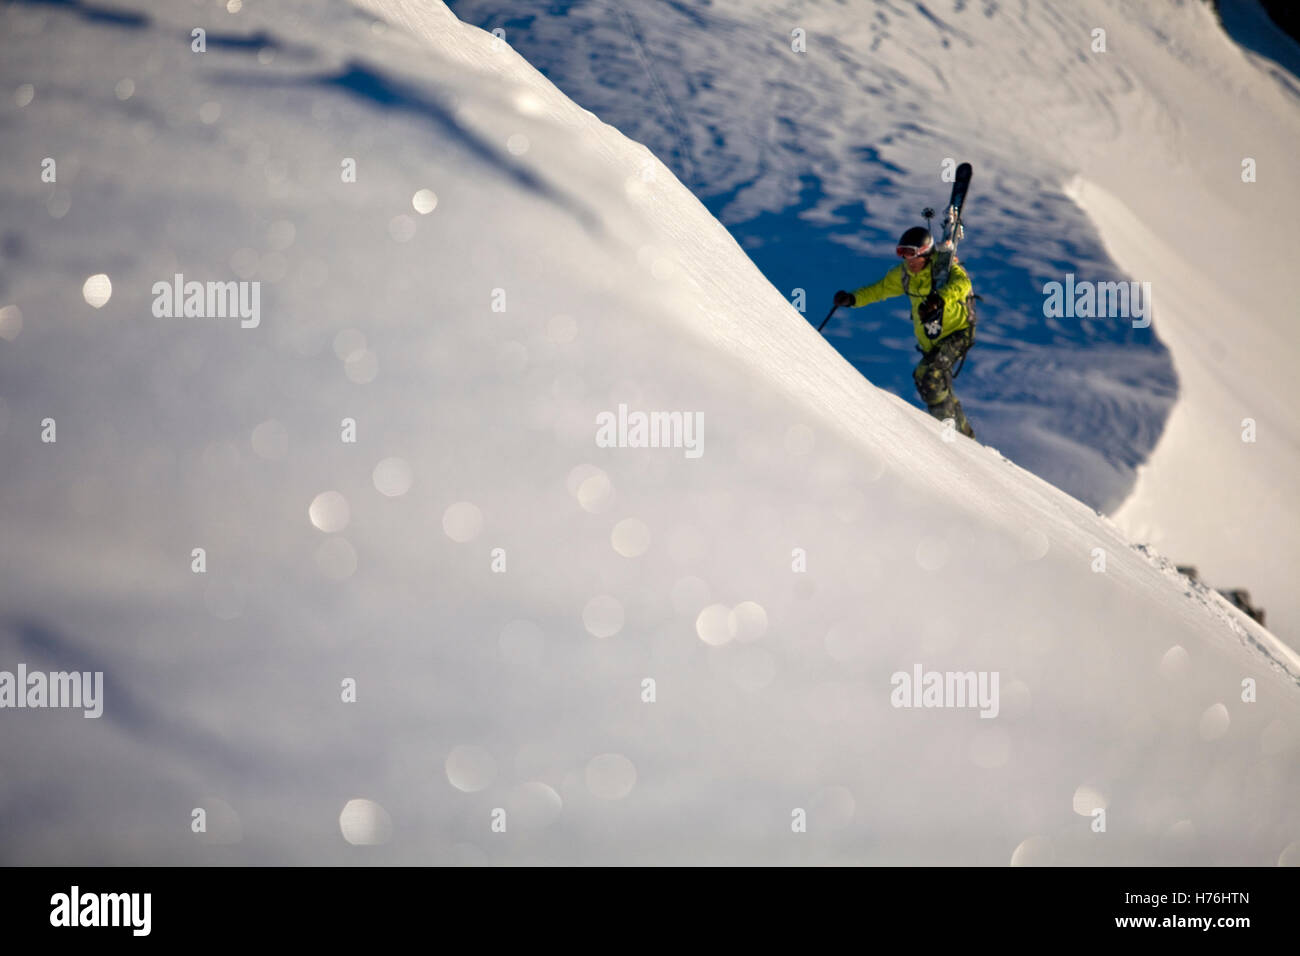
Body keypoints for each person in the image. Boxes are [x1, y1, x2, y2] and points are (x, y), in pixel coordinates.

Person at [834, 226, 977, 438]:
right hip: (932, 341)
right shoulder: (904, 275)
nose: (907, 259)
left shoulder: (943, 269)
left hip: (956, 333)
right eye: (902, 253)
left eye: (911, 253)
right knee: (932, 382)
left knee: (928, 377)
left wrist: (939, 299)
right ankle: (964, 435)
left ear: (925, 252)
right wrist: (852, 299)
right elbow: (879, 289)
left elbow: (963, 284)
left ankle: (952, 436)